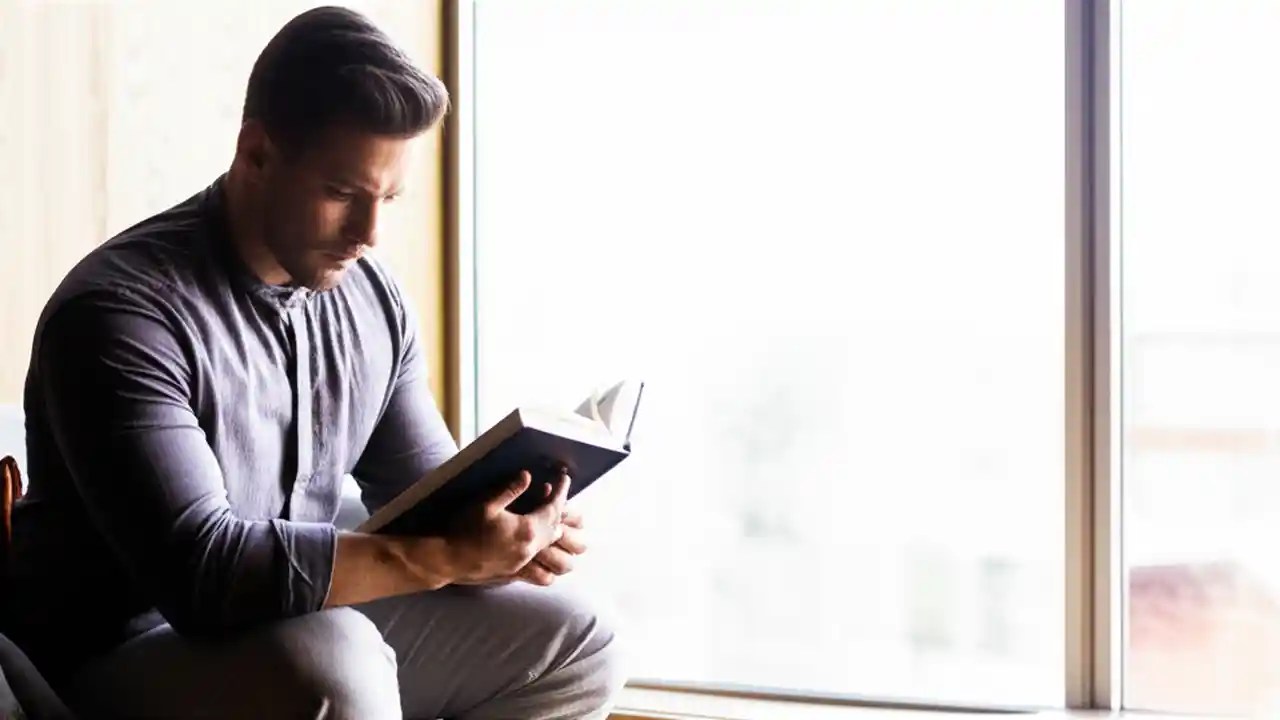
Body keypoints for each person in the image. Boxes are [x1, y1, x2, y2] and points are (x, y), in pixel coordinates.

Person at [0, 6, 626, 718]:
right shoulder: (118, 316)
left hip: (295, 618)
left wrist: (510, 530)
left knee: (580, 639)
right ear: (256, 153)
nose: (369, 233)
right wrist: (447, 556)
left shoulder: (371, 299)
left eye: (389, 198)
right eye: (342, 194)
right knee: (336, 664)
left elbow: (424, 495)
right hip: (119, 652)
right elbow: (206, 575)